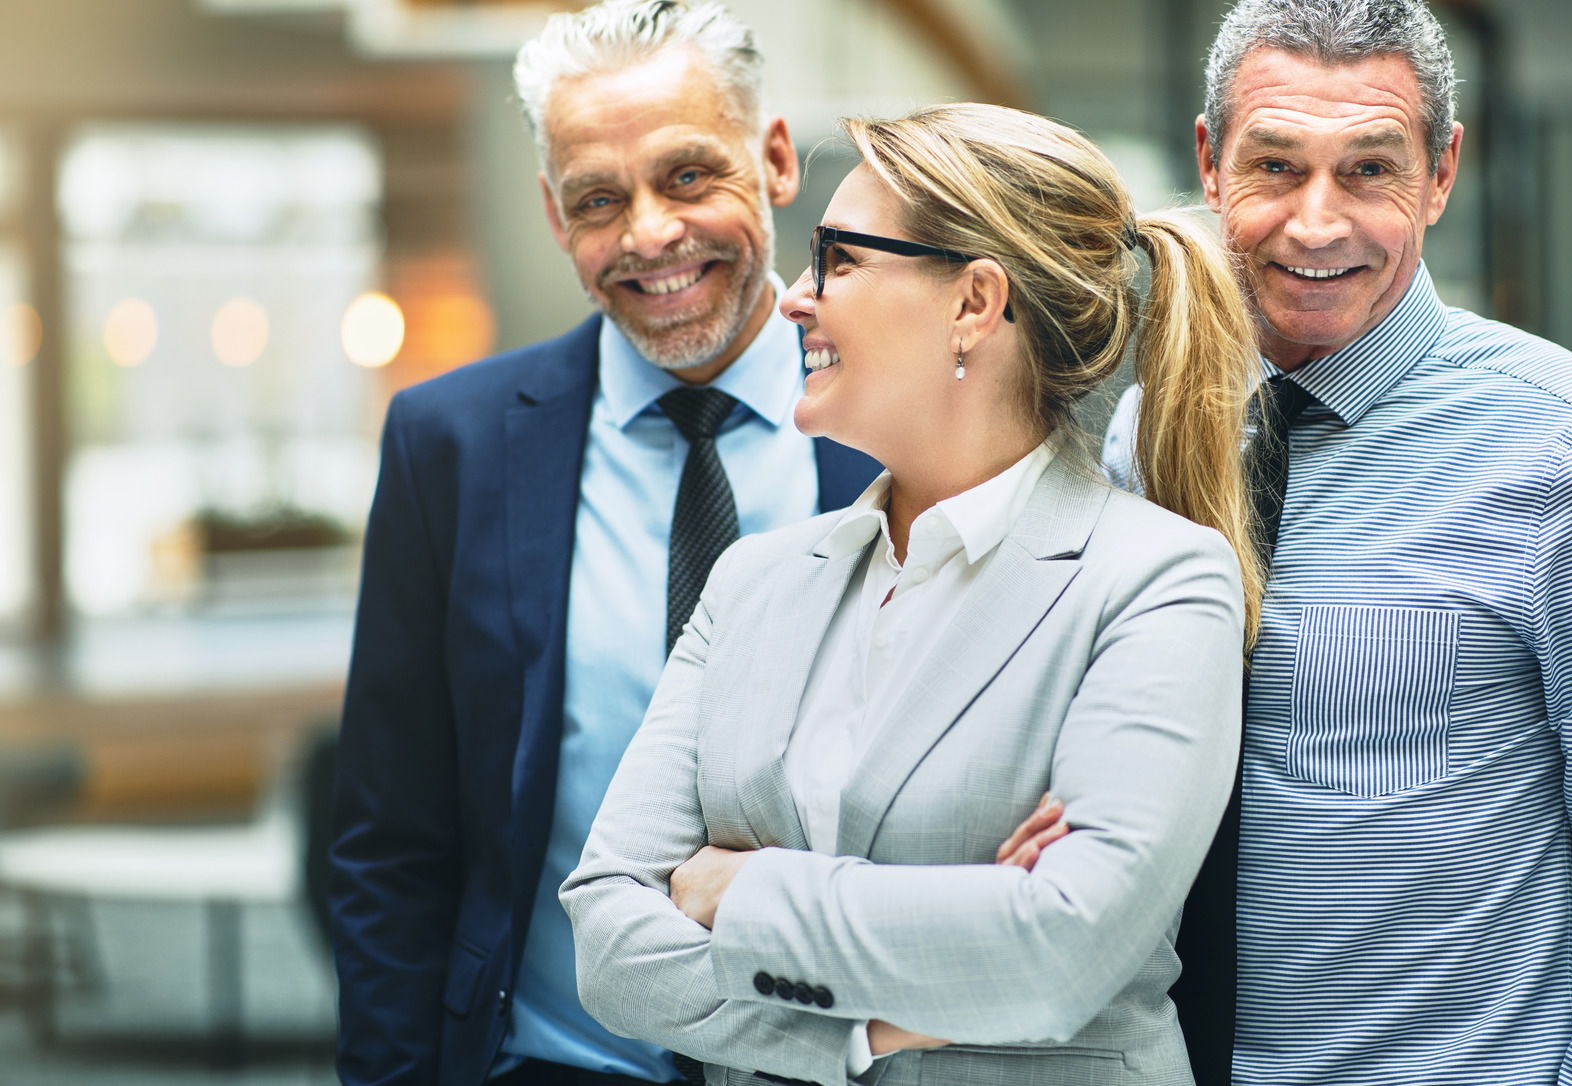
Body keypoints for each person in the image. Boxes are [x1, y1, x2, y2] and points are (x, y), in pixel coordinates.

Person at [1091, 1, 1572, 1082]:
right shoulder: (1149, 432)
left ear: (1442, 173)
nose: (1316, 223)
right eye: (1275, 166)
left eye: (1369, 170)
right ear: (1210, 165)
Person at [557, 103, 1262, 1086]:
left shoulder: (1156, 581)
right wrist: (864, 1030)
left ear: (973, 301)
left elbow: (1061, 951)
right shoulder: (751, 582)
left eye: (839, 261)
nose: (795, 298)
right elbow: (609, 945)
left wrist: (746, 890)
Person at [327, 4, 881, 1085]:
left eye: (687, 176)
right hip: (552, 1061)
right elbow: (392, 841)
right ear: (553, 214)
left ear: (774, 161)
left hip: (835, 1059)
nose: (648, 234)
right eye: (598, 199)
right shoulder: (450, 447)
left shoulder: (904, 430)